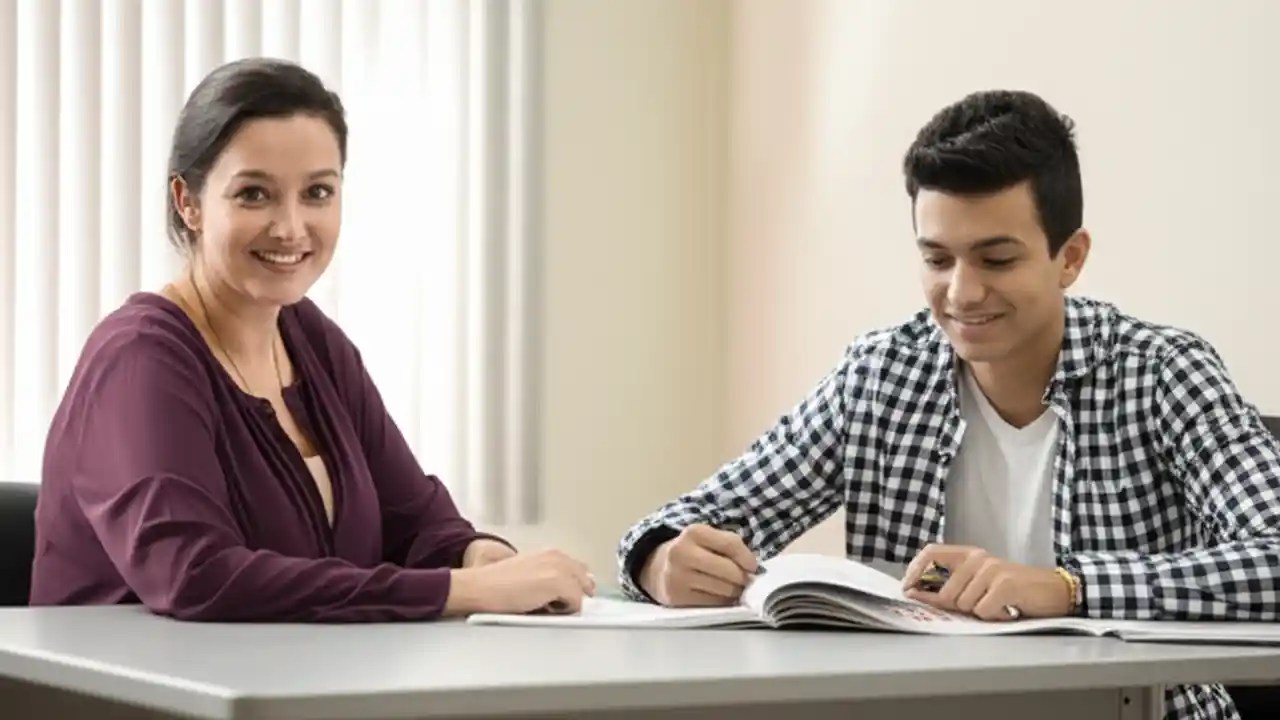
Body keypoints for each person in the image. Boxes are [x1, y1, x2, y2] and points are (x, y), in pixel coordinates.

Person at [616, 89, 1280, 720]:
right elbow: (694, 520)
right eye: (937, 259)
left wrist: (1065, 589)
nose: (961, 293)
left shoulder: (1161, 372)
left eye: (996, 259)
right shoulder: (882, 375)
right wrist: (660, 560)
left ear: (1069, 257)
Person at [30, 57, 593, 622]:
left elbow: (417, 522)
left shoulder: (311, 341)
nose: (291, 227)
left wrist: (481, 559)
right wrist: (463, 592)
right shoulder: (139, 360)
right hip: (144, 702)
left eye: (318, 193)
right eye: (254, 194)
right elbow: (196, 576)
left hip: (292, 691)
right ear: (189, 203)